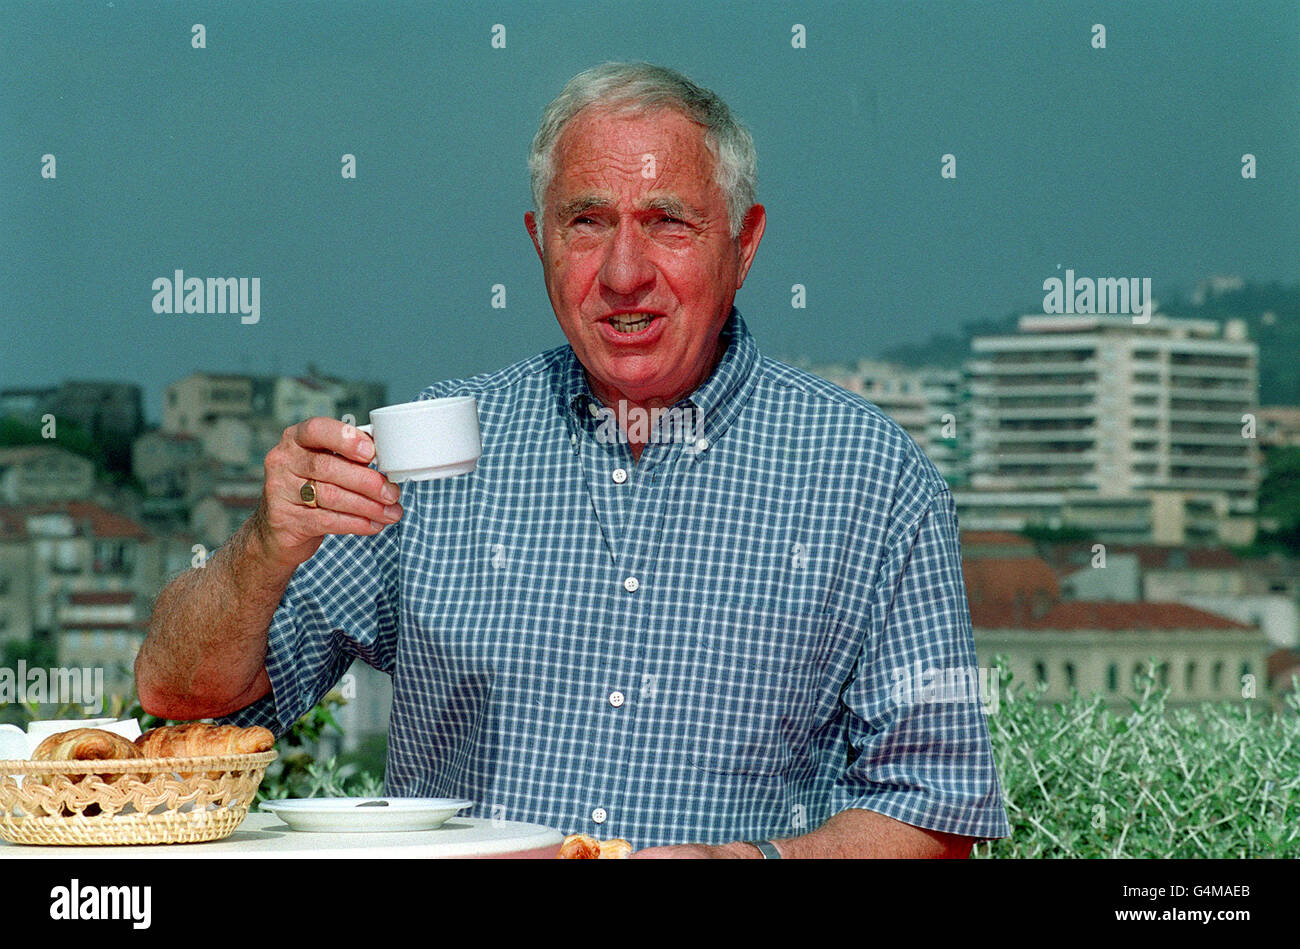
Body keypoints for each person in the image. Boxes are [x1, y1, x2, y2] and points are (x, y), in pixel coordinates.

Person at [136, 62, 1010, 857]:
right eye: (587, 222)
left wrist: (748, 862)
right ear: (539, 243)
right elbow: (185, 696)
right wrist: (261, 549)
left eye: (667, 221)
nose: (624, 272)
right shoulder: (430, 449)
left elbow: (937, 811)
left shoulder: (873, 476)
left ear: (744, 245)